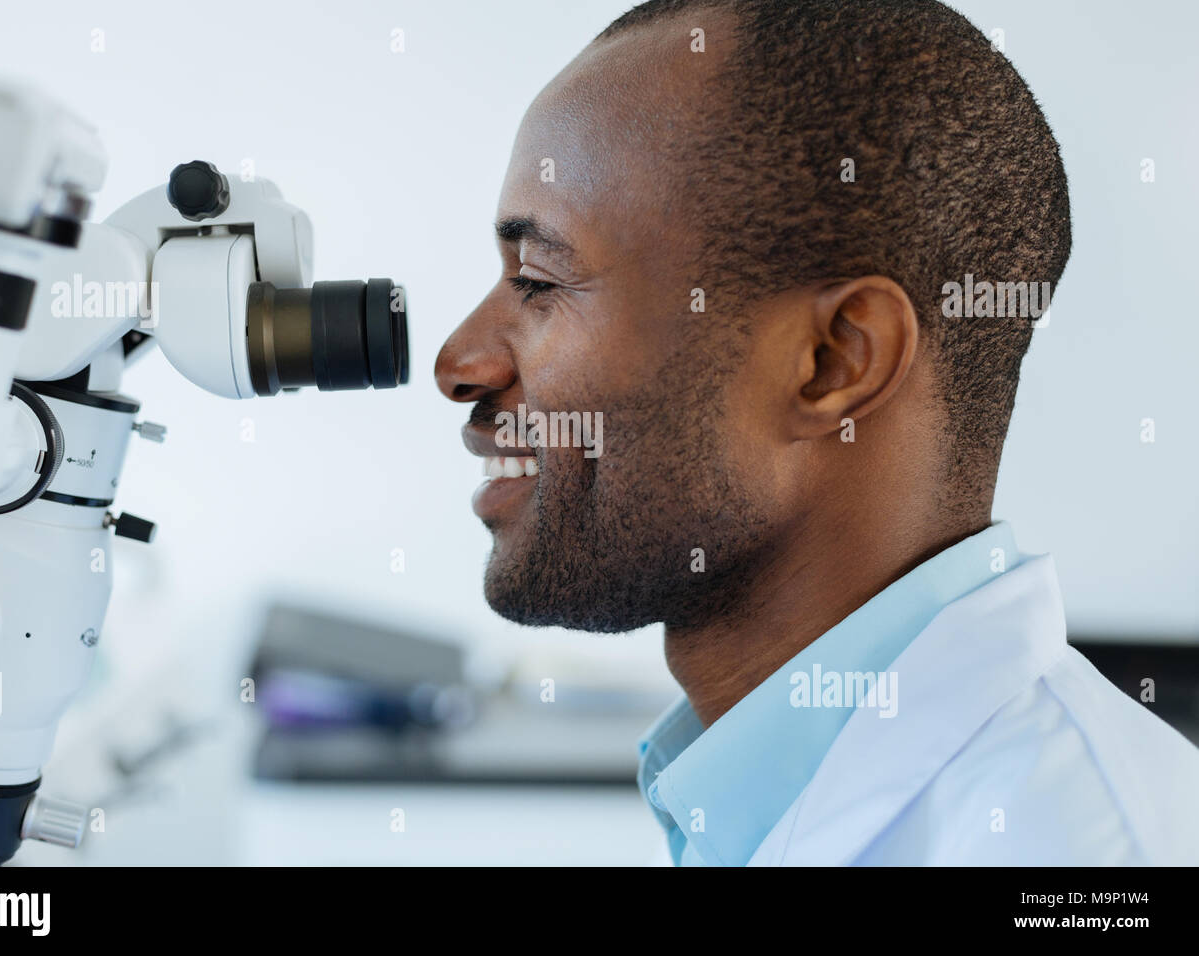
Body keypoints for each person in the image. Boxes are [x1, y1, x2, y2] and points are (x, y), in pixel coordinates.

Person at [433, 0, 1199, 865]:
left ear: (834, 362)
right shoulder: (747, 801)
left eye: (539, 279)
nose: (458, 363)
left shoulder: (1080, 863)